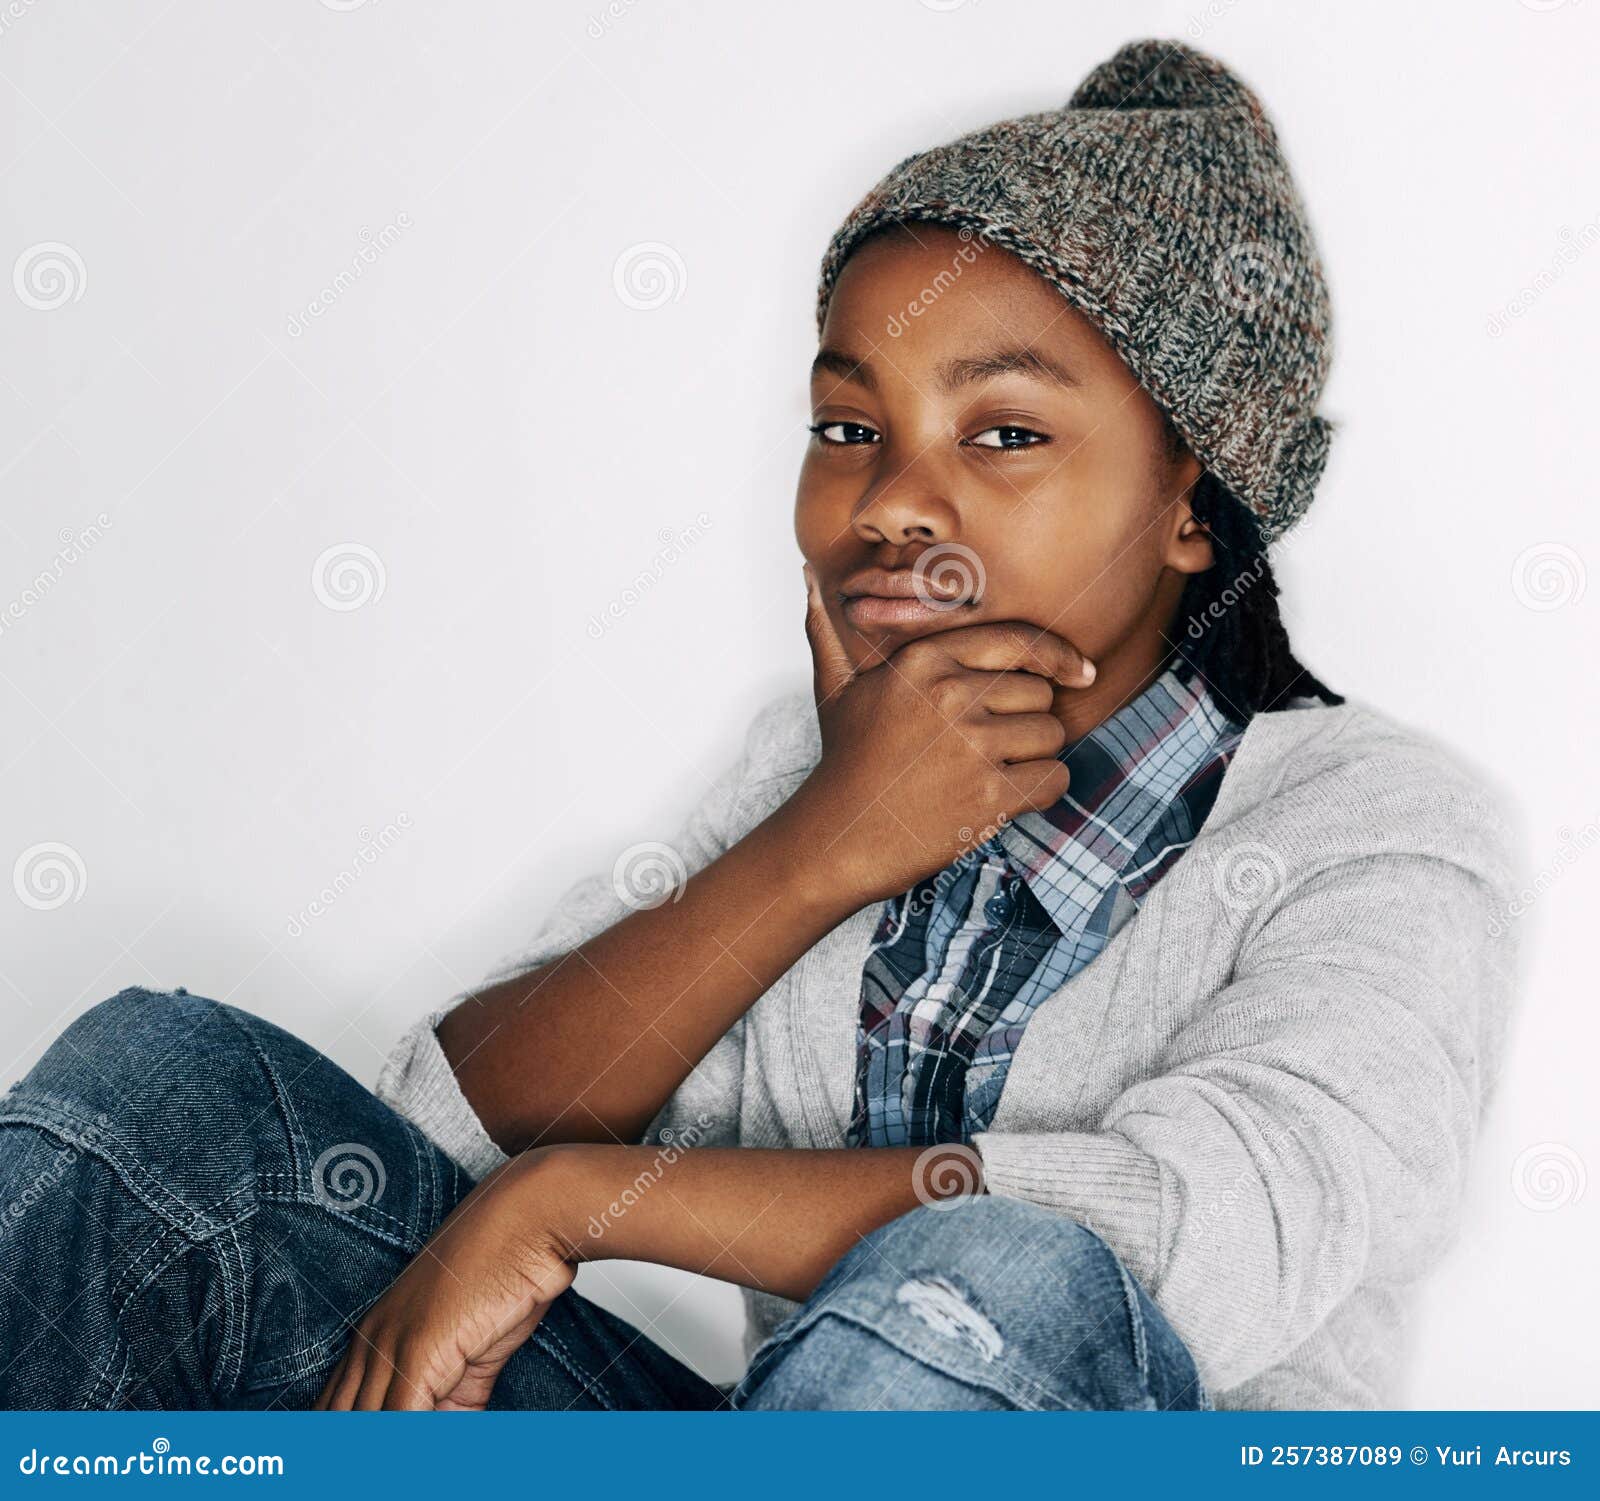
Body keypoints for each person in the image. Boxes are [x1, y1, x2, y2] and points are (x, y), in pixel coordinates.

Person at [0, 38, 1515, 1413]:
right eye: (850, 427)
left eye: (1004, 432)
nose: (893, 499)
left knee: (996, 1276)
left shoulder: (1382, 834)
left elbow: (1199, 1229)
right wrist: (816, 852)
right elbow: (415, 1145)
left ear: (1196, 503)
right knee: (170, 1090)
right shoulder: (820, 775)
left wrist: (586, 1201)